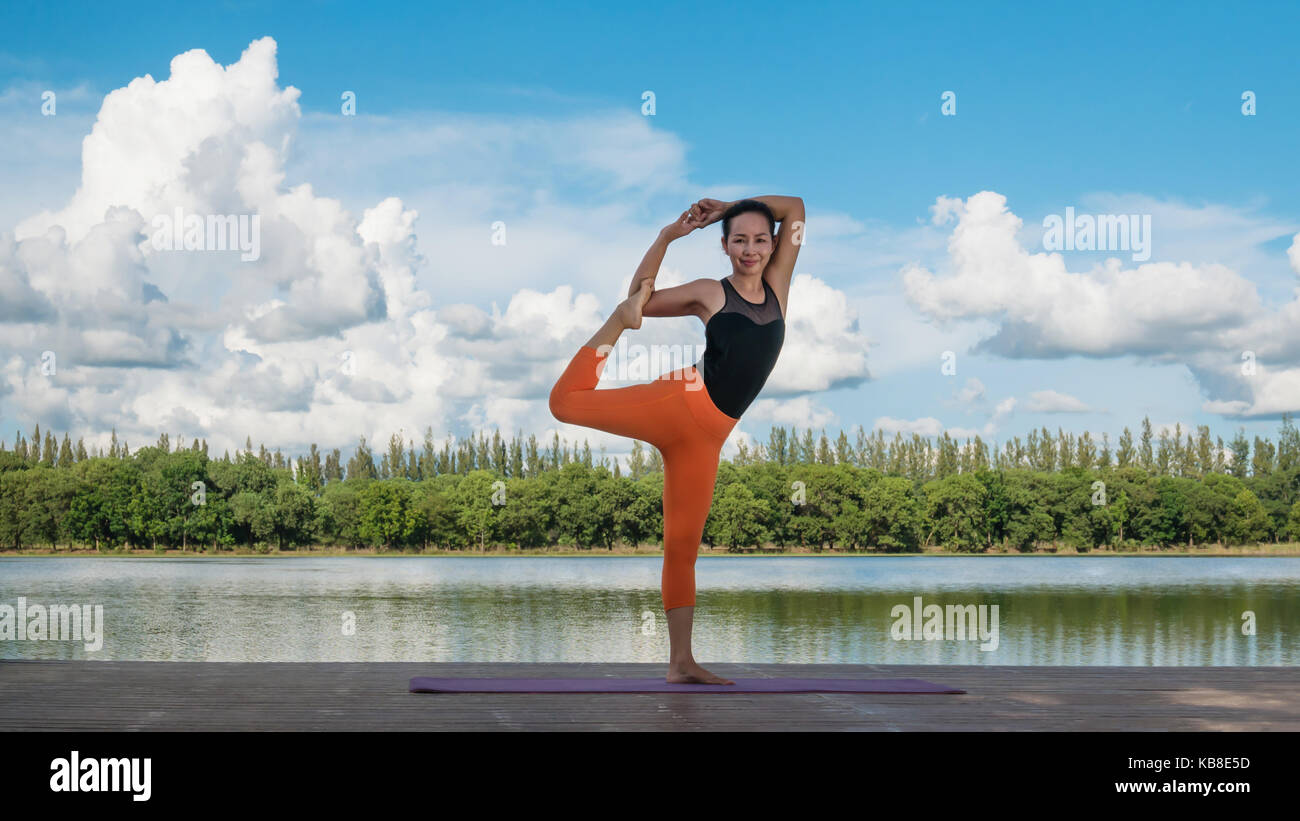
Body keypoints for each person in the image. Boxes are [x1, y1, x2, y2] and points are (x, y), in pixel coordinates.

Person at [549, 195, 805, 684]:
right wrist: (668, 236)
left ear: (773, 244)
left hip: (707, 441)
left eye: (758, 239)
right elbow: (639, 297)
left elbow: (795, 207)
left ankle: (680, 662)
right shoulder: (711, 292)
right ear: (726, 247)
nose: (750, 249)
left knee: (682, 547)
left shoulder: (778, 288)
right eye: (738, 240)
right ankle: (610, 331)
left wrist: (730, 205)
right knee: (564, 403)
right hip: (678, 403)